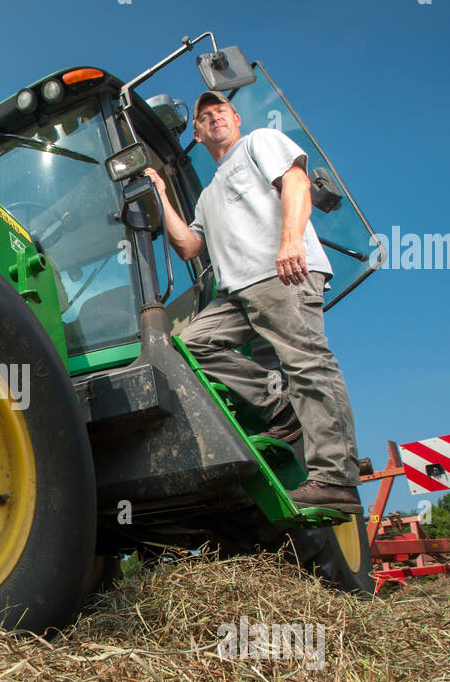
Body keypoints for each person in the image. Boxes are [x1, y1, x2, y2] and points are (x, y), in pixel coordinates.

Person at [144, 90, 361, 514]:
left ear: (236, 117)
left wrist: (291, 242)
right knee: (191, 345)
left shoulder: (259, 142)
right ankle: (281, 409)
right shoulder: (208, 196)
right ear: (197, 132)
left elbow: (296, 183)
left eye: (220, 111)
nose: (213, 119)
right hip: (236, 293)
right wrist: (161, 194)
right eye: (204, 117)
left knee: (307, 363)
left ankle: (336, 478)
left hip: (282, 272)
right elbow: (189, 246)